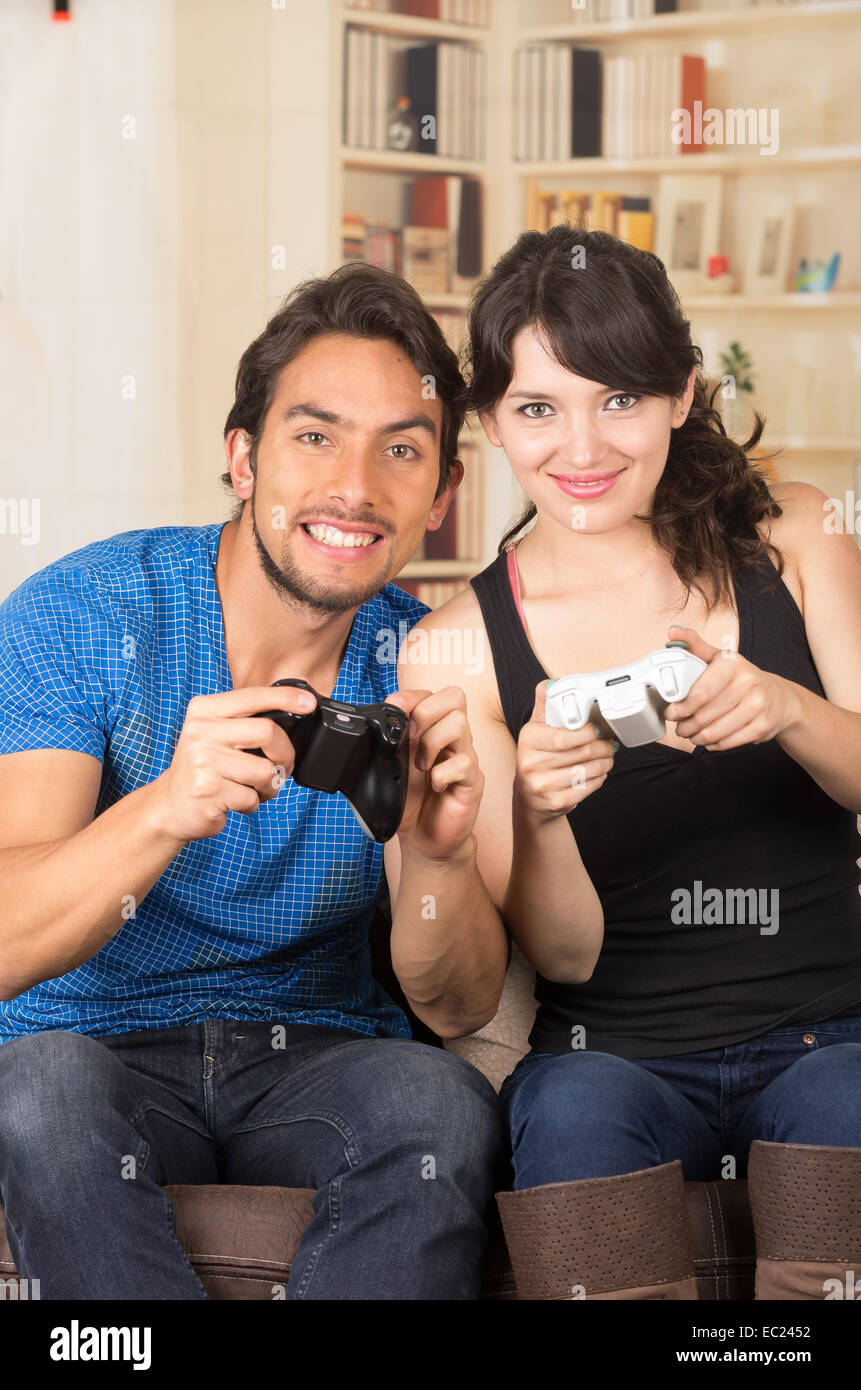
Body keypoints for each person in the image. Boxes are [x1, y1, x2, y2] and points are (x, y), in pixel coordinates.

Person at [0, 262, 508, 1300]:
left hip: (316, 1058)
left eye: (401, 449)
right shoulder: (88, 611)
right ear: (242, 458)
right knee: (38, 1089)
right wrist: (162, 809)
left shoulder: (430, 664)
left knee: (441, 1103)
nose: (355, 487)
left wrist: (440, 859)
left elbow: (459, 1006)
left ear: (442, 494)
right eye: (315, 436)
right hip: (91, 1046)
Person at [401, 224, 861, 1300]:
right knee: (573, 1128)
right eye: (537, 409)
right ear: (489, 422)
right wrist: (540, 810)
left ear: (681, 394)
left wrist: (787, 707)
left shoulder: (794, 536)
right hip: (608, 1057)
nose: (582, 448)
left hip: (832, 1035)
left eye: (618, 399)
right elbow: (564, 958)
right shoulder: (453, 650)